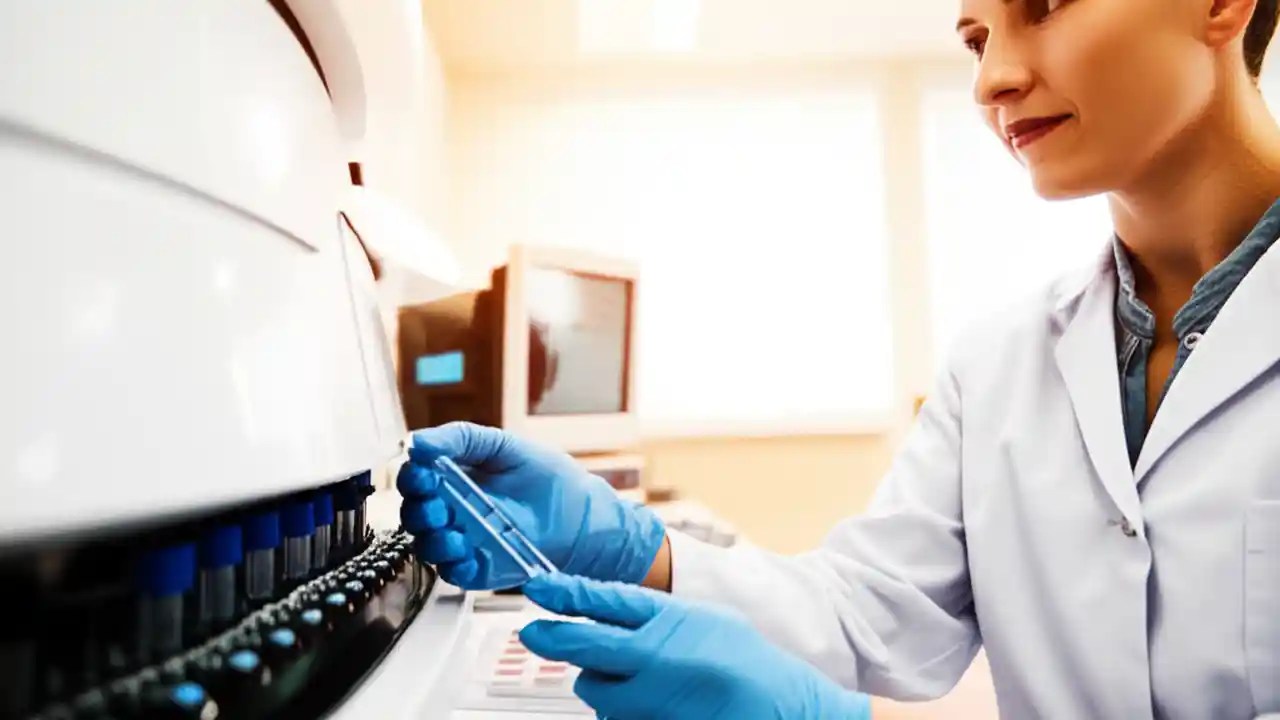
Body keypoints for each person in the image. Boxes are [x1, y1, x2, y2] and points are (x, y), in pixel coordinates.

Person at [398, 0, 1280, 715]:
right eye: (976, 40)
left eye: (1043, 7)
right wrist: (630, 549)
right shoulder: (1002, 361)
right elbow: (876, 617)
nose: (994, 79)